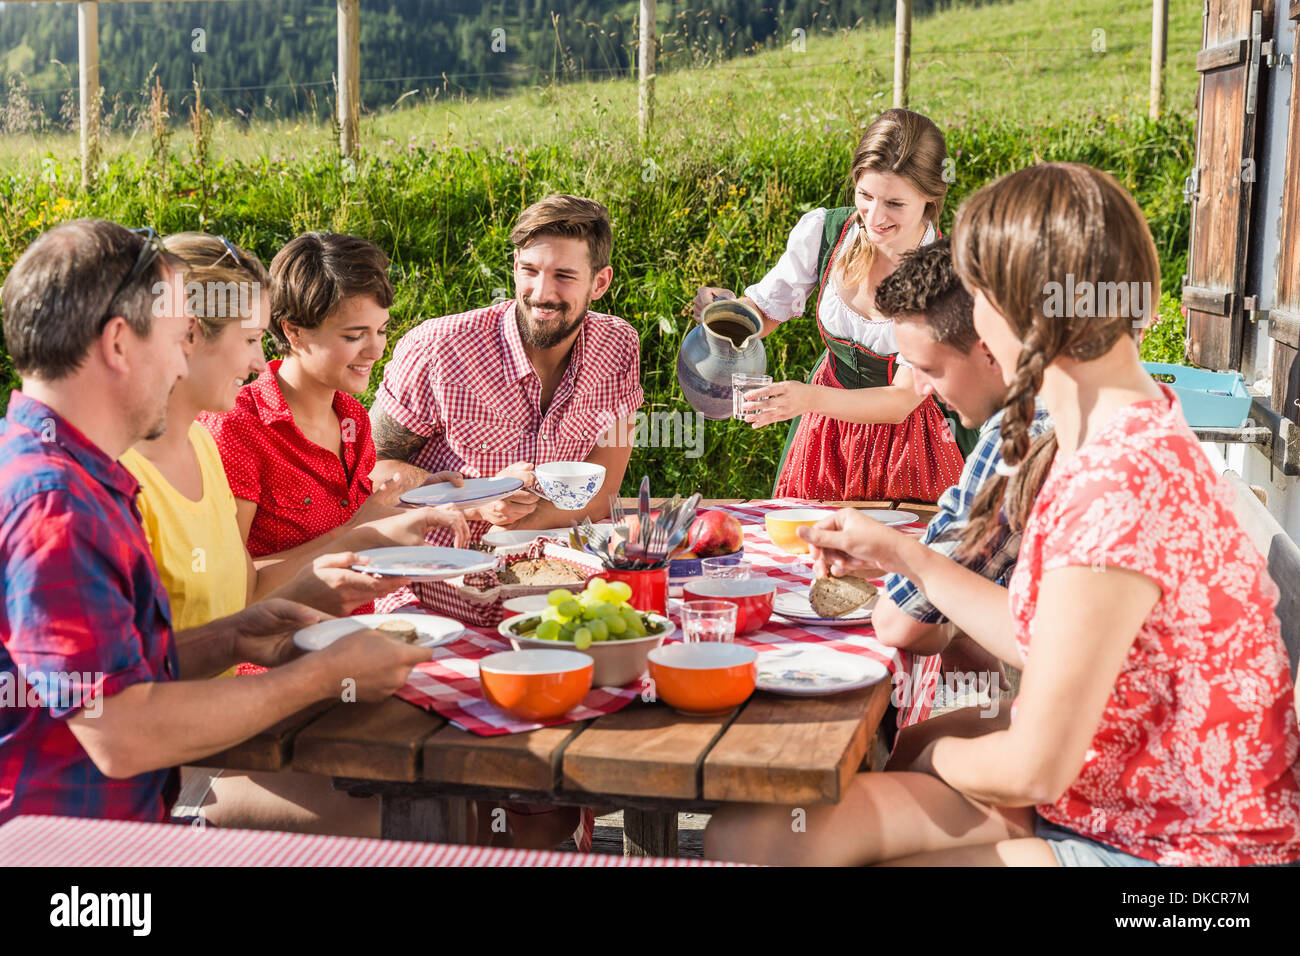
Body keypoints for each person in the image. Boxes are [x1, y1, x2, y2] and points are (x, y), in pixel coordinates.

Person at [704, 164, 1300, 867]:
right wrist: (907, 558)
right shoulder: (1125, 428)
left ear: (1022, 313)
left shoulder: (1117, 483)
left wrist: (939, 756)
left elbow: (1031, 770)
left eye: (978, 296)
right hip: (1118, 795)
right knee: (754, 833)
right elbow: (1047, 635)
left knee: (788, 836)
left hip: (1175, 851)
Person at [0, 219, 431, 828]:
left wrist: (231, 637)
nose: (183, 363)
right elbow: (121, 732)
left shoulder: (74, 474)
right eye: (179, 338)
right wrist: (320, 676)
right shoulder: (57, 505)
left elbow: (110, 677)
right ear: (120, 344)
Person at [121, 233, 436, 833]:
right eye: (245, 340)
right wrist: (359, 537)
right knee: (407, 813)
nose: (251, 363)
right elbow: (118, 714)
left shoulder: (205, 453)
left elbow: (239, 612)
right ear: (182, 339)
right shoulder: (195, 446)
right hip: (201, 758)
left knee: (443, 789)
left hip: (264, 701)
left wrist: (381, 540)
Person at [693, 109, 974, 504]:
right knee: (808, 550)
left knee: (900, 554)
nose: (875, 217)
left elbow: (900, 401)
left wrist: (806, 399)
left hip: (912, 446)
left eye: (894, 203)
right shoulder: (827, 233)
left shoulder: (946, 273)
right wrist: (726, 314)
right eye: (866, 196)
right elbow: (768, 307)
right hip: (826, 439)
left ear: (931, 196)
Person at [199, 232, 469, 617]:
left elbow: (350, 512)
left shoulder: (352, 417)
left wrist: (418, 495)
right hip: (275, 658)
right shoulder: (236, 427)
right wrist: (359, 536)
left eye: (381, 329)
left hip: (357, 639)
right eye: (354, 335)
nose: (376, 350)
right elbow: (237, 594)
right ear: (293, 331)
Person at [370, 194, 643, 540]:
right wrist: (478, 500)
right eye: (530, 270)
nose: (542, 293)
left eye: (564, 276)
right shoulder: (439, 347)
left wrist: (518, 527)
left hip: (556, 572)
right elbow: (369, 470)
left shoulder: (618, 347)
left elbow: (604, 490)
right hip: (440, 576)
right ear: (515, 265)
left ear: (600, 283)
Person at [868, 237, 1050, 724]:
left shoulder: (1019, 435)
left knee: (903, 754)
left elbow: (899, 623)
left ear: (989, 352)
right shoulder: (1053, 410)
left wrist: (909, 569)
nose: (922, 389)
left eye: (930, 369)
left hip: (1081, 739)